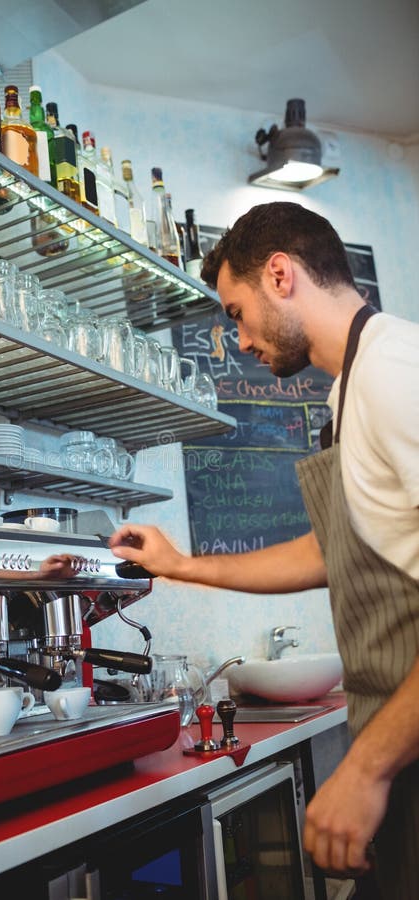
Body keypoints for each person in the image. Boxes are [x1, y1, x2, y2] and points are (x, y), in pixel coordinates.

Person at [109, 202, 419, 898]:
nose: (239, 341)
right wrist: (181, 565)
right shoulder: (350, 391)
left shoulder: (398, 372)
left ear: (280, 275)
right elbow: (333, 551)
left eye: (236, 312)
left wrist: (365, 768)